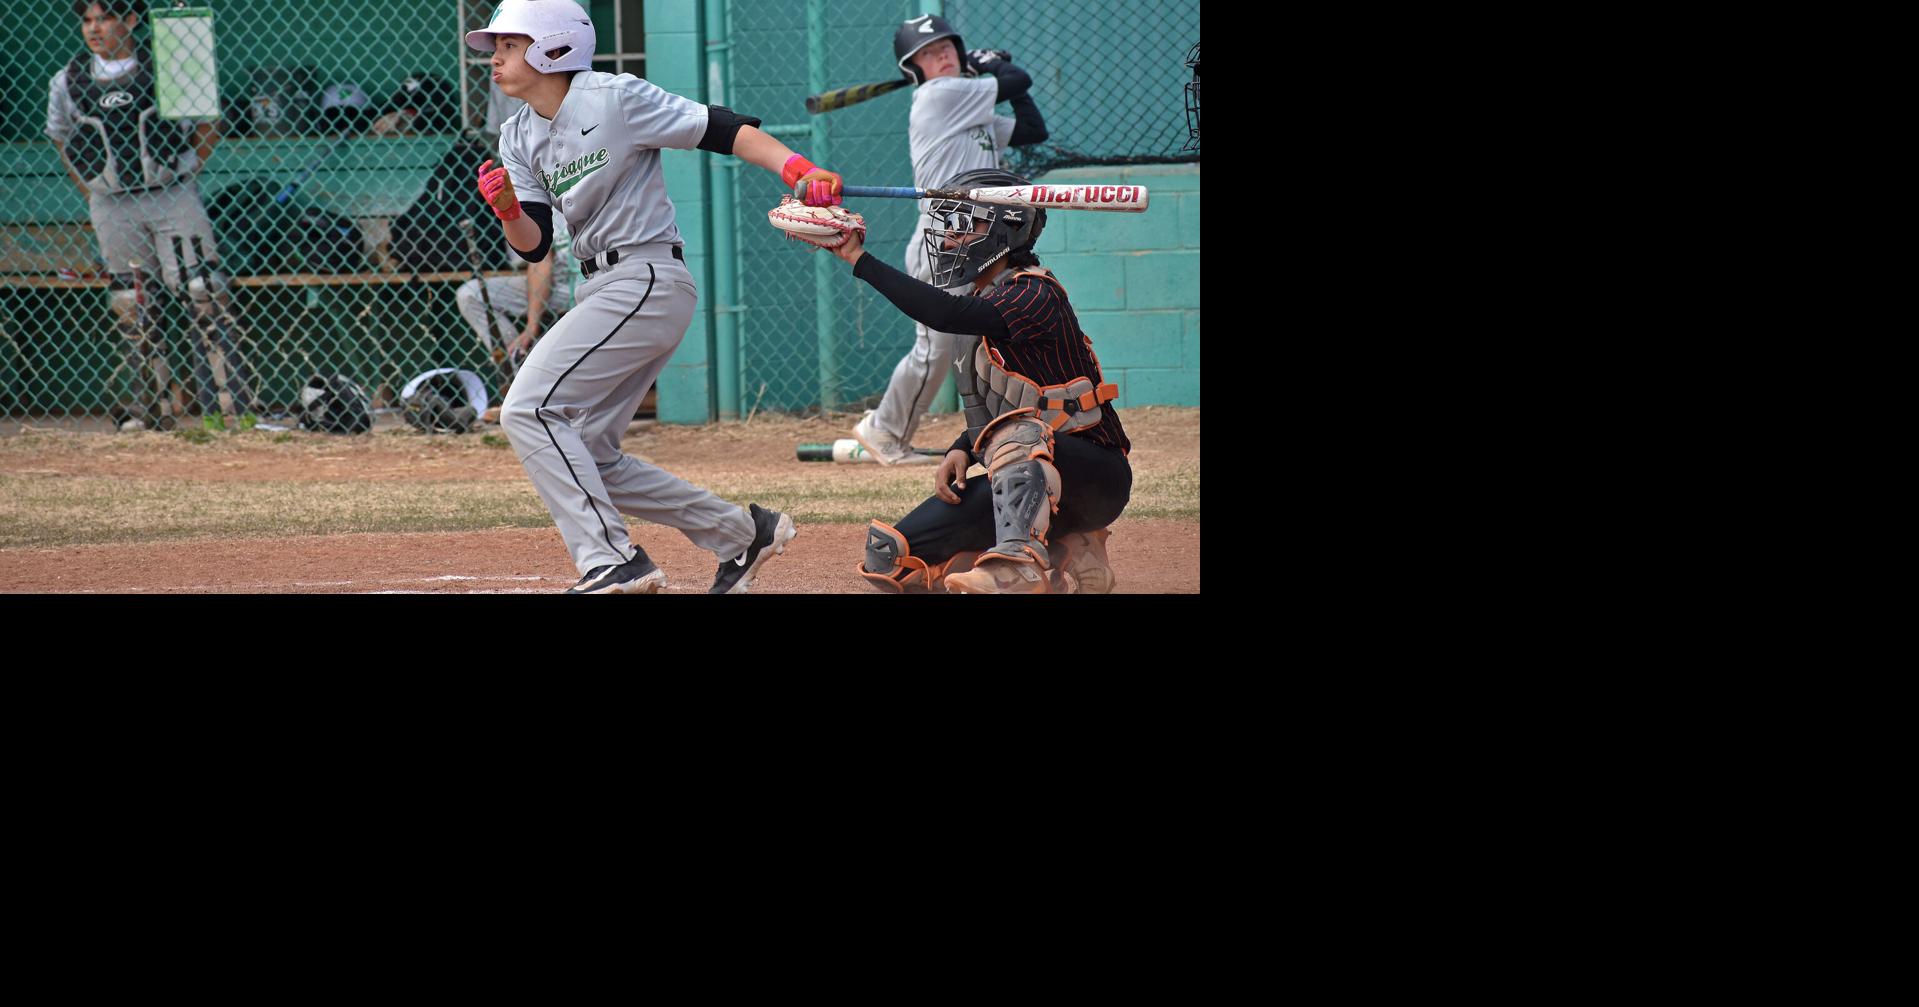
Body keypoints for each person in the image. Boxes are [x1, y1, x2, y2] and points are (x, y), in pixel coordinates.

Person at [467, 0, 843, 594]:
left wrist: (797, 167)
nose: (495, 58)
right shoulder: (517, 134)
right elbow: (535, 246)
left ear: (554, 48)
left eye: (510, 45)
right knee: (589, 450)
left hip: (645, 276)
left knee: (529, 409)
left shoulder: (612, 97)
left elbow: (721, 128)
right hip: (602, 287)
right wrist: (509, 210)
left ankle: (612, 560)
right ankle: (742, 533)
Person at [824, 168, 1129, 594]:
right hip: (1033, 474)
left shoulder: (1034, 294)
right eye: (950, 226)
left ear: (1008, 229)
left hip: (1095, 475)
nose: (950, 239)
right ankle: (1071, 548)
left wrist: (859, 259)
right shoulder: (982, 301)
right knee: (893, 559)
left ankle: (1018, 566)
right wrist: (963, 448)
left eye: (966, 226)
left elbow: (945, 314)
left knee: (1017, 433)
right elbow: (1012, 395)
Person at [46, 0, 261, 432]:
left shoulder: (168, 66)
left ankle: (228, 411)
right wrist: (90, 188)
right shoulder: (67, 79)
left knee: (203, 289)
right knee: (131, 301)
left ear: (130, 20)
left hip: (171, 194)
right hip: (112, 202)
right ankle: (155, 412)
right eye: (87, 20)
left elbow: (208, 123)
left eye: (105, 18)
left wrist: (188, 169)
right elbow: (61, 137)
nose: (94, 28)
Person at [850, 14, 1048, 466]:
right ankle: (884, 430)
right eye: (927, 53)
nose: (941, 56)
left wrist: (991, 71)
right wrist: (992, 65)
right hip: (945, 236)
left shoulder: (968, 105)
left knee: (991, 335)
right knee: (936, 347)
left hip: (984, 239)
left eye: (946, 48)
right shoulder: (939, 93)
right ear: (914, 68)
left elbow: (1033, 129)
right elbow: (1018, 78)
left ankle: (1007, 429)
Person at [456, 207, 576, 418]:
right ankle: (520, 383)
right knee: (470, 294)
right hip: (559, 285)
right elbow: (540, 261)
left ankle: (551, 397)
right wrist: (531, 326)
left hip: (595, 282)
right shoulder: (538, 199)